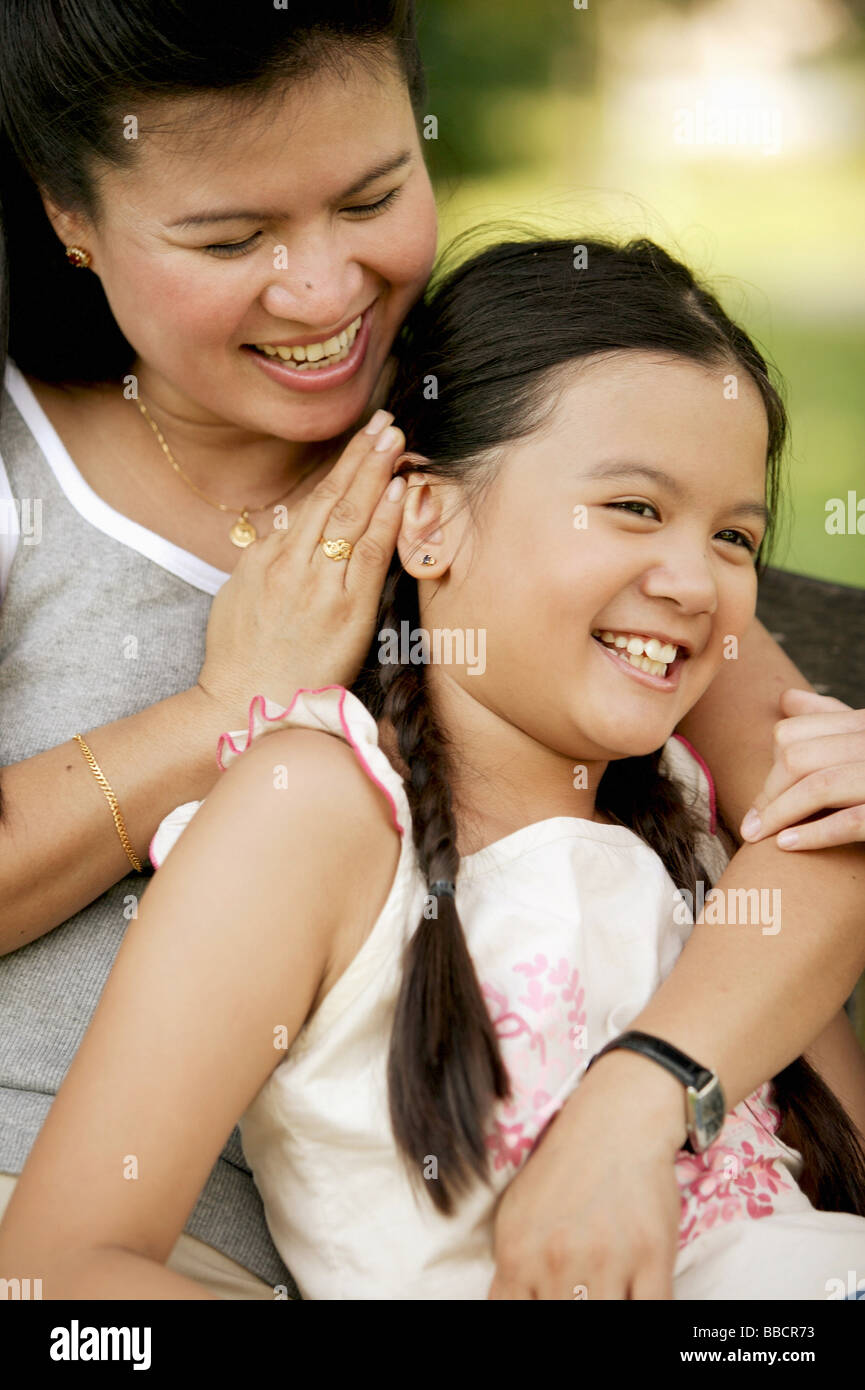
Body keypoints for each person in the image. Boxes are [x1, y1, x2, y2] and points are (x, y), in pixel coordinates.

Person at [0, 3, 863, 1301]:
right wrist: (222, 711)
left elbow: (816, 821)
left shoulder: (531, 433)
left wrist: (641, 1096)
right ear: (69, 215)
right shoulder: (27, 482)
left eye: (371, 196)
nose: (323, 290)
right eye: (229, 237)